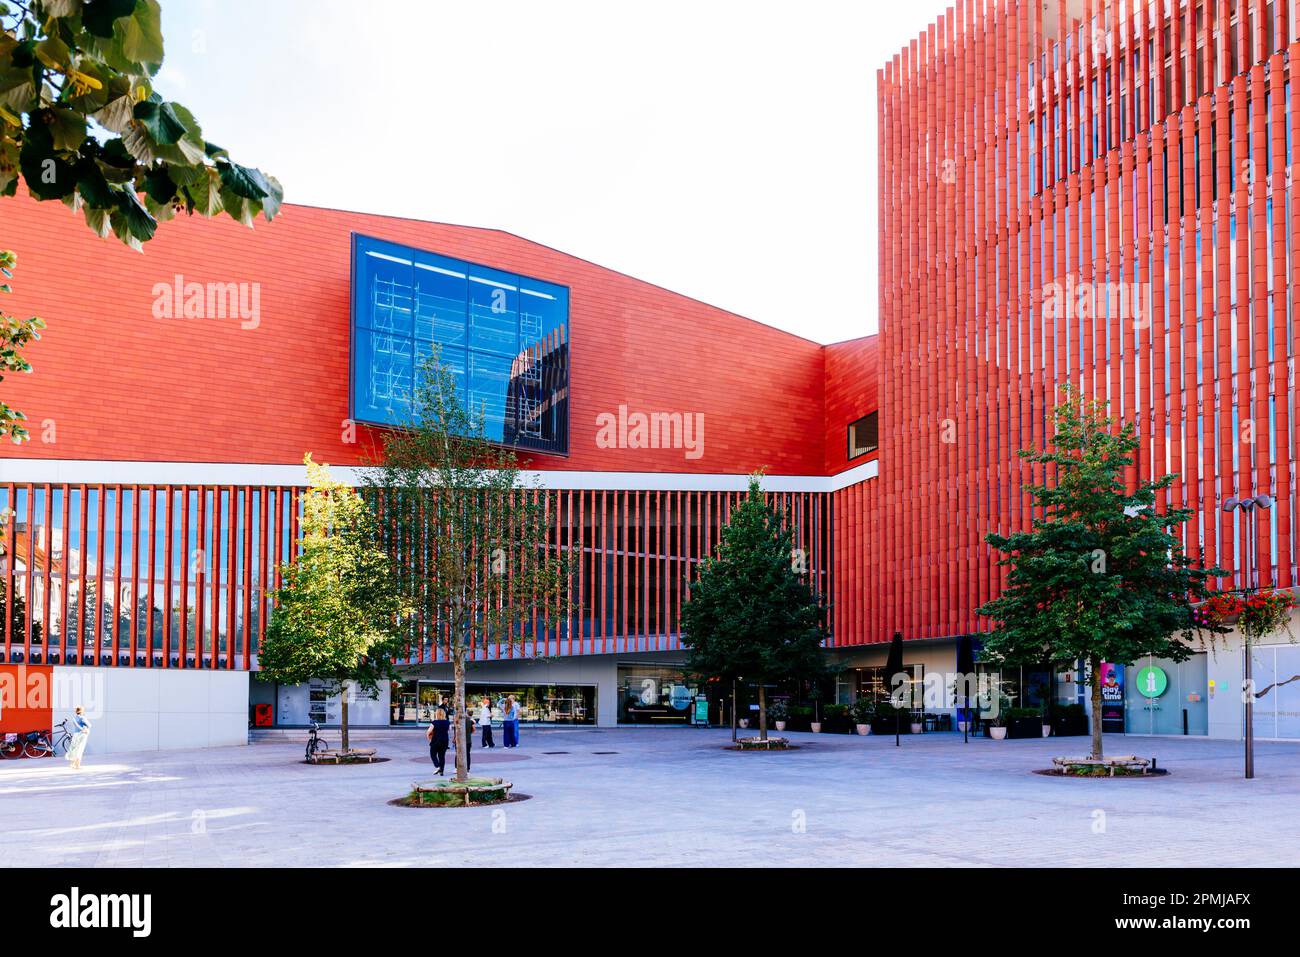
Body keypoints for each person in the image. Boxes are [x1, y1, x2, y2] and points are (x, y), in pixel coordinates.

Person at [426, 707, 450, 775]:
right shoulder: (447, 722)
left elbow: (428, 732)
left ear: (437, 714)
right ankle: (441, 771)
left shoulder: (434, 722)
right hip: (445, 741)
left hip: (435, 740)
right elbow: (449, 729)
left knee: (433, 754)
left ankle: (438, 766)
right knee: (442, 756)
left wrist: (429, 739)